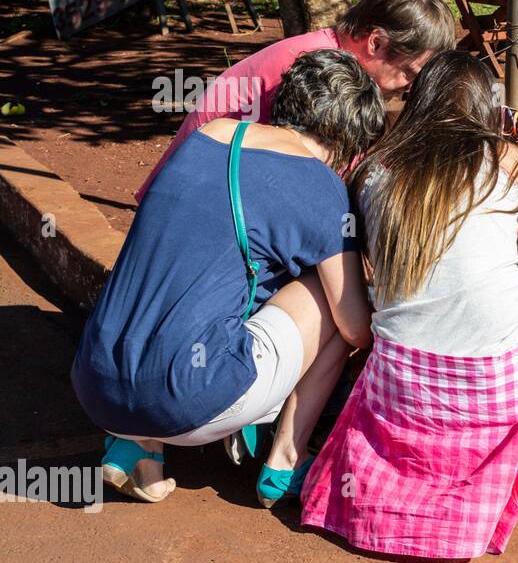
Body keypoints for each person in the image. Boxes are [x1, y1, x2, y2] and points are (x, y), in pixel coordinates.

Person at [301, 52, 518, 561]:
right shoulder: (512, 162)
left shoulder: (375, 167)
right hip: (503, 386)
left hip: (402, 384)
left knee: (509, 255)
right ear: (488, 106)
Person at [72, 50, 385, 505]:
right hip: (190, 399)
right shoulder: (322, 184)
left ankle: (138, 451)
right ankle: (286, 462)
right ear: (349, 138)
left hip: (95, 382)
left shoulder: (211, 135)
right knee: (333, 299)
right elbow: (355, 326)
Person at [135, 0, 455, 202]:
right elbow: (304, 180)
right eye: (409, 73)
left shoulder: (330, 58)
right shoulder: (316, 74)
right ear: (376, 42)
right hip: (203, 198)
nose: (410, 86)